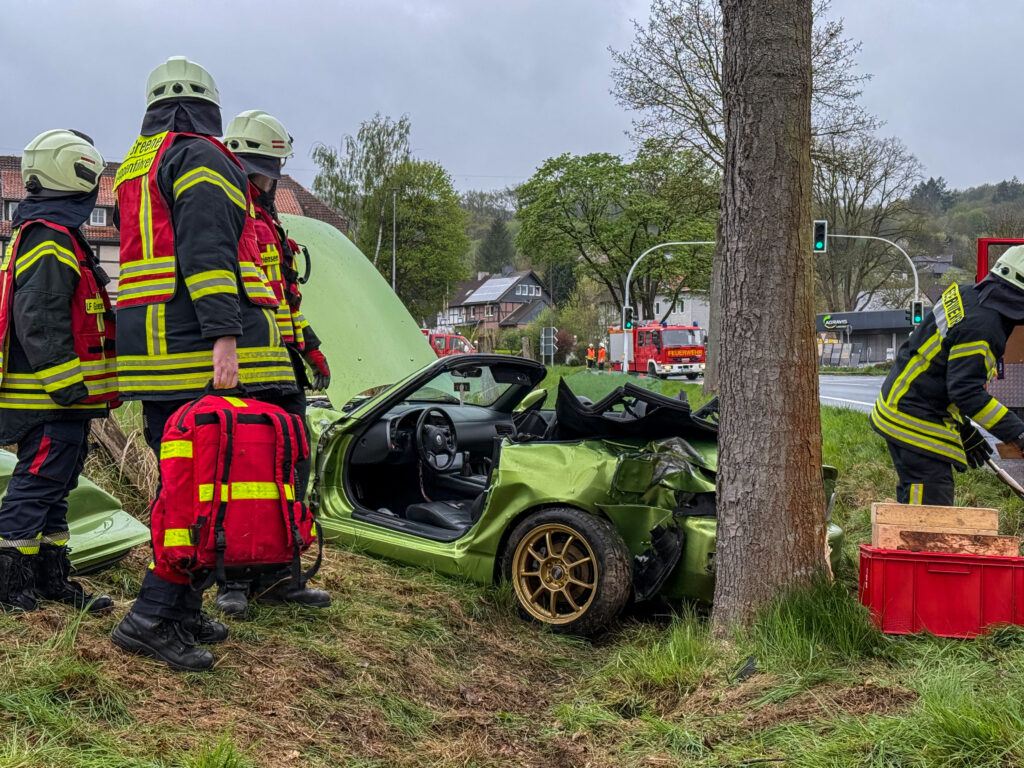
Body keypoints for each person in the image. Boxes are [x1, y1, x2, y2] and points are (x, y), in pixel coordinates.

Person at [109, 57, 320, 672]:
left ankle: (182, 606)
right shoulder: (200, 157)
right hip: (195, 350)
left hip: (158, 352)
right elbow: (207, 253)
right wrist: (224, 336)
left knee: (188, 484)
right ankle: (151, 617)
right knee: (197, 491)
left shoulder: (138, 161)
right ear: (209, 105)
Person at [216, 109, 332, 615]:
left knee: (291, 469)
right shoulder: (229, 214)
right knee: (243, 476)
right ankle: (233, 582)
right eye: (272, 168)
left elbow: (280, 298)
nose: (274, 178)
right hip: (244, 371)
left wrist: (305, 342)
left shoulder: (266, 219)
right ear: (256, 166)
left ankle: (282, 574)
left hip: (279, 369)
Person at [0, 130, 117, 614]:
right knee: (36, 487)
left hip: (61, 401)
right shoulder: (50, 240)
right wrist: (68, 384)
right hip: (48, 400)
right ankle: (9, 585)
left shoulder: (52, 233)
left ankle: (50, 579)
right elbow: (39, 320)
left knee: (57, 489)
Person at [871, 247, 1024, 505]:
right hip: (915, 421)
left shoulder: (967, 296)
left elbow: (938, 367)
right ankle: (917, 545)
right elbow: (965, 391)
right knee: (929, 515)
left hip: (903, 407)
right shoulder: (985, 327)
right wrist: (1018, 434)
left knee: (916, 504)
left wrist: (964, 429)